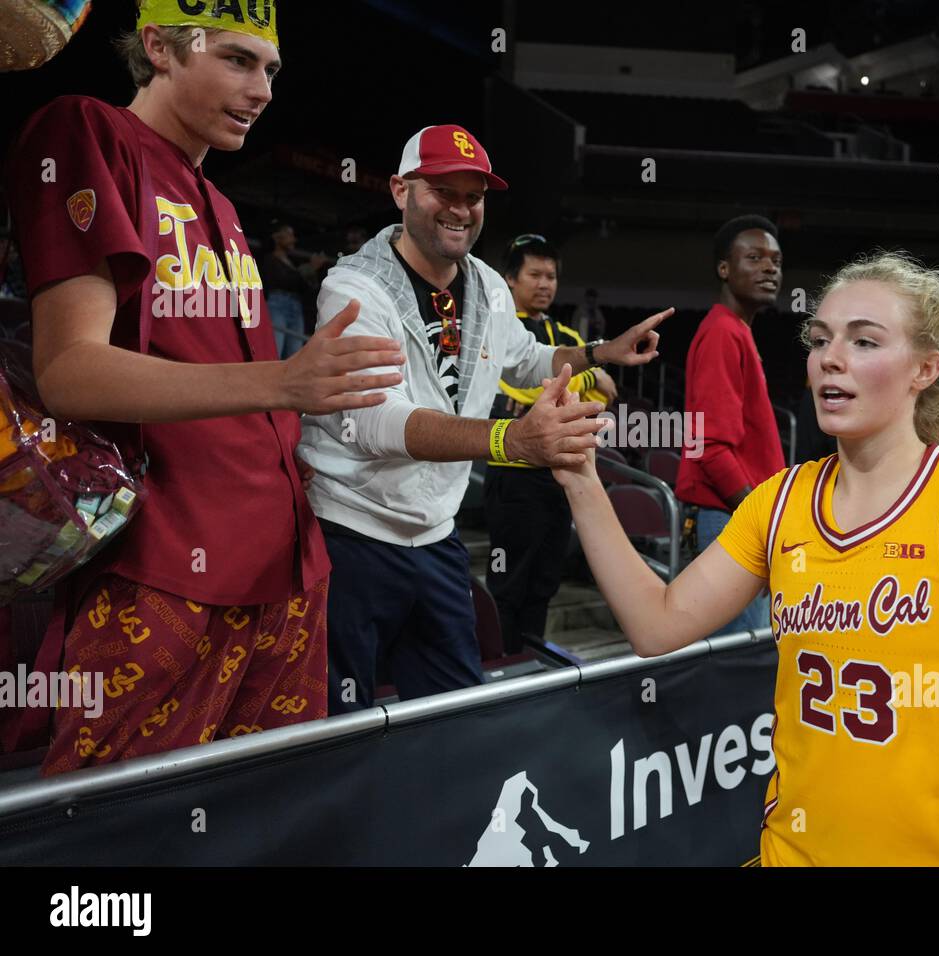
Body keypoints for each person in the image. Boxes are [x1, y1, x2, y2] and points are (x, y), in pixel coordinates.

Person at [549, 251, 939, 865]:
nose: (831, 357)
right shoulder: (779, 503)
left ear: (924, 369)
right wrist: (582, 479)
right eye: (821, 339)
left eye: (864, 341)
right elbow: (656, 622)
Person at [4, 0, 403, 775]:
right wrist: (286, 382)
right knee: (126, 833)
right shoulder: (86, 129)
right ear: (158, 46)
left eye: (272, 70)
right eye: (236, 60)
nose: (263, 90)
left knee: (265, 825)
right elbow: (69, 372)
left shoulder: (219, 200)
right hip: (164, 568)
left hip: (290, 566)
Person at [296, 124, 670, 713]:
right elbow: (373, 422)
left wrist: (599, 352)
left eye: (474, 196)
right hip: (352, 535)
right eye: (443, 190)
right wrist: (510, 439)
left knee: (457, 717)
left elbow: (526, 361)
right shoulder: (354, 289)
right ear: (400, 190)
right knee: (339, 724)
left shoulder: (490, 286)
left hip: (435, 535)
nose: (461, 209)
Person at [485, 234, 619, 653]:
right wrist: (584, 375)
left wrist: (576, 380)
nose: (545, 283)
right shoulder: (498, 331)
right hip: (514, 473)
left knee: (544, 580)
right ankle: (497, 666)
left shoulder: (563, 333)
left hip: (559, 475)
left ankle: (530, 661)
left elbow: (602, 397)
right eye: (535, 274)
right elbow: (513, 389)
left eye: (551, 276)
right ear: (510, 279)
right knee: (509, 582)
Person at [674, 214, 786, 636]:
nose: (769, 268)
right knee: (736, 660)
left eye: (775, 260)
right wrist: (761, 520)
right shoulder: (723, 332)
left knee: (739, 653)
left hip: (732, 516)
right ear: (724, 268)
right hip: (731, 517)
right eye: (754, 258)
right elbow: (711, 446)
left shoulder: (735, 330)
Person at [261, 220, 327, 358]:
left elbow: (306, 288)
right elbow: (283, 281)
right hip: (278, 304)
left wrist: (311, 271)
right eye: (289, 234)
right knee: (275, 350)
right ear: (277, 237)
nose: (293, 239)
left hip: (295, 306)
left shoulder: (292, 264)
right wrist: (309, 268)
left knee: (294, 354)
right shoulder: (269, 259)